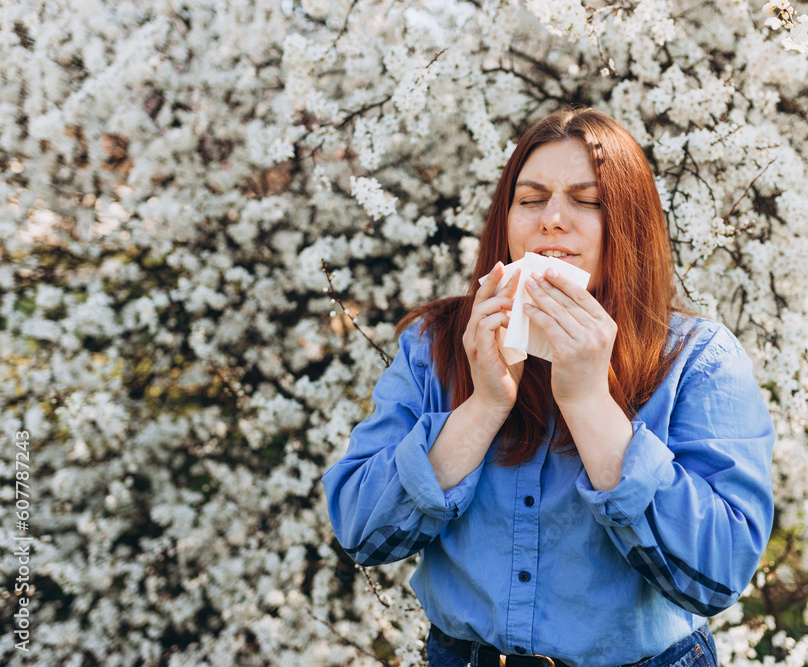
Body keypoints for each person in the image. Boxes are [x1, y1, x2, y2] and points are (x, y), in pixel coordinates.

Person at [322, 107, 775, 667]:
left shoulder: (696, 360)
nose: (553, 220)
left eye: (588, 201)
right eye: (531, 199)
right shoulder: (435, 344)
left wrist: (590, 404)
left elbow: (718, 574)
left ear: (628, 223)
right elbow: (362, 531)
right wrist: (483, 406)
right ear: (505, 221)